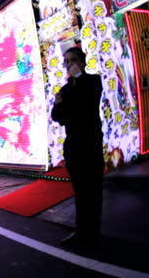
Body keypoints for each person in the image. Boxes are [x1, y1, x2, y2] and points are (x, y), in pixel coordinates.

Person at [51, 46, 104, 246]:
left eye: (73, 60)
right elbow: (59, 118)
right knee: (80, 191)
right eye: (66, 61)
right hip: (73, 146)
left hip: (91, 143)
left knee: (94, 190)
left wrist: (79, 77)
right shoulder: (65, 89)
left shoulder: (92, 81)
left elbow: (90, 102)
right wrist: (57, 104)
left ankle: (94, 233)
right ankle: (81, 232)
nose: (69, 64)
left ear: (82, 62)